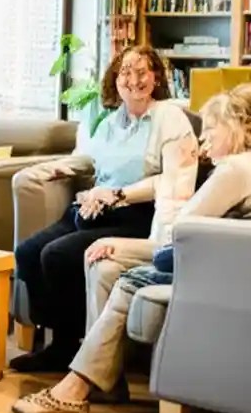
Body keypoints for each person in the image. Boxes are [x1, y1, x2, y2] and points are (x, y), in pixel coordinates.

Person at [11, 84, 251, 413]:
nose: (202, 144)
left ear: (235, 126)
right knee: (105, 264)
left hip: (238, 276)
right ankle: (107, 383)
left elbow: (180, 237)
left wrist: (128, 247)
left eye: (210, 132)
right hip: (237, 267)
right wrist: (120, 245)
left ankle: (73, 391)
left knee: (131, 279)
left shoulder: (234, 171)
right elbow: (189, 241)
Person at [10, 45, 197, 374]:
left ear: (156, 78)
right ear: (115, 78)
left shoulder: (169, 117)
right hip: (95, 207)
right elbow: (92, 161)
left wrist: (117, 194)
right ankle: (57, 338)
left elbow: (170, 179)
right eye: (126, 71)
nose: (133, 79)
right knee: (27, 252)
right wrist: (60, 170)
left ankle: (68, 347)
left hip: (137, 214)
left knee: (57, 255)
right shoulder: (112, 121)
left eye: (142, 72)